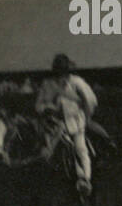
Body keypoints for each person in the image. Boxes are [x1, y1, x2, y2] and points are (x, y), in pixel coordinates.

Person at [34, 53, 98, 193]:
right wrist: (48, 107)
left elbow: (91, 101)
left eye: (65, 72)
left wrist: (86, 116)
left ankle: (85, 179)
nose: (63, 76)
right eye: (60, 72)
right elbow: (38, 106)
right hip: (54, 125)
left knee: (81, 149)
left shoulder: (77, 83)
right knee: (53, 147)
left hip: (76, 123)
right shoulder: (48, 85)